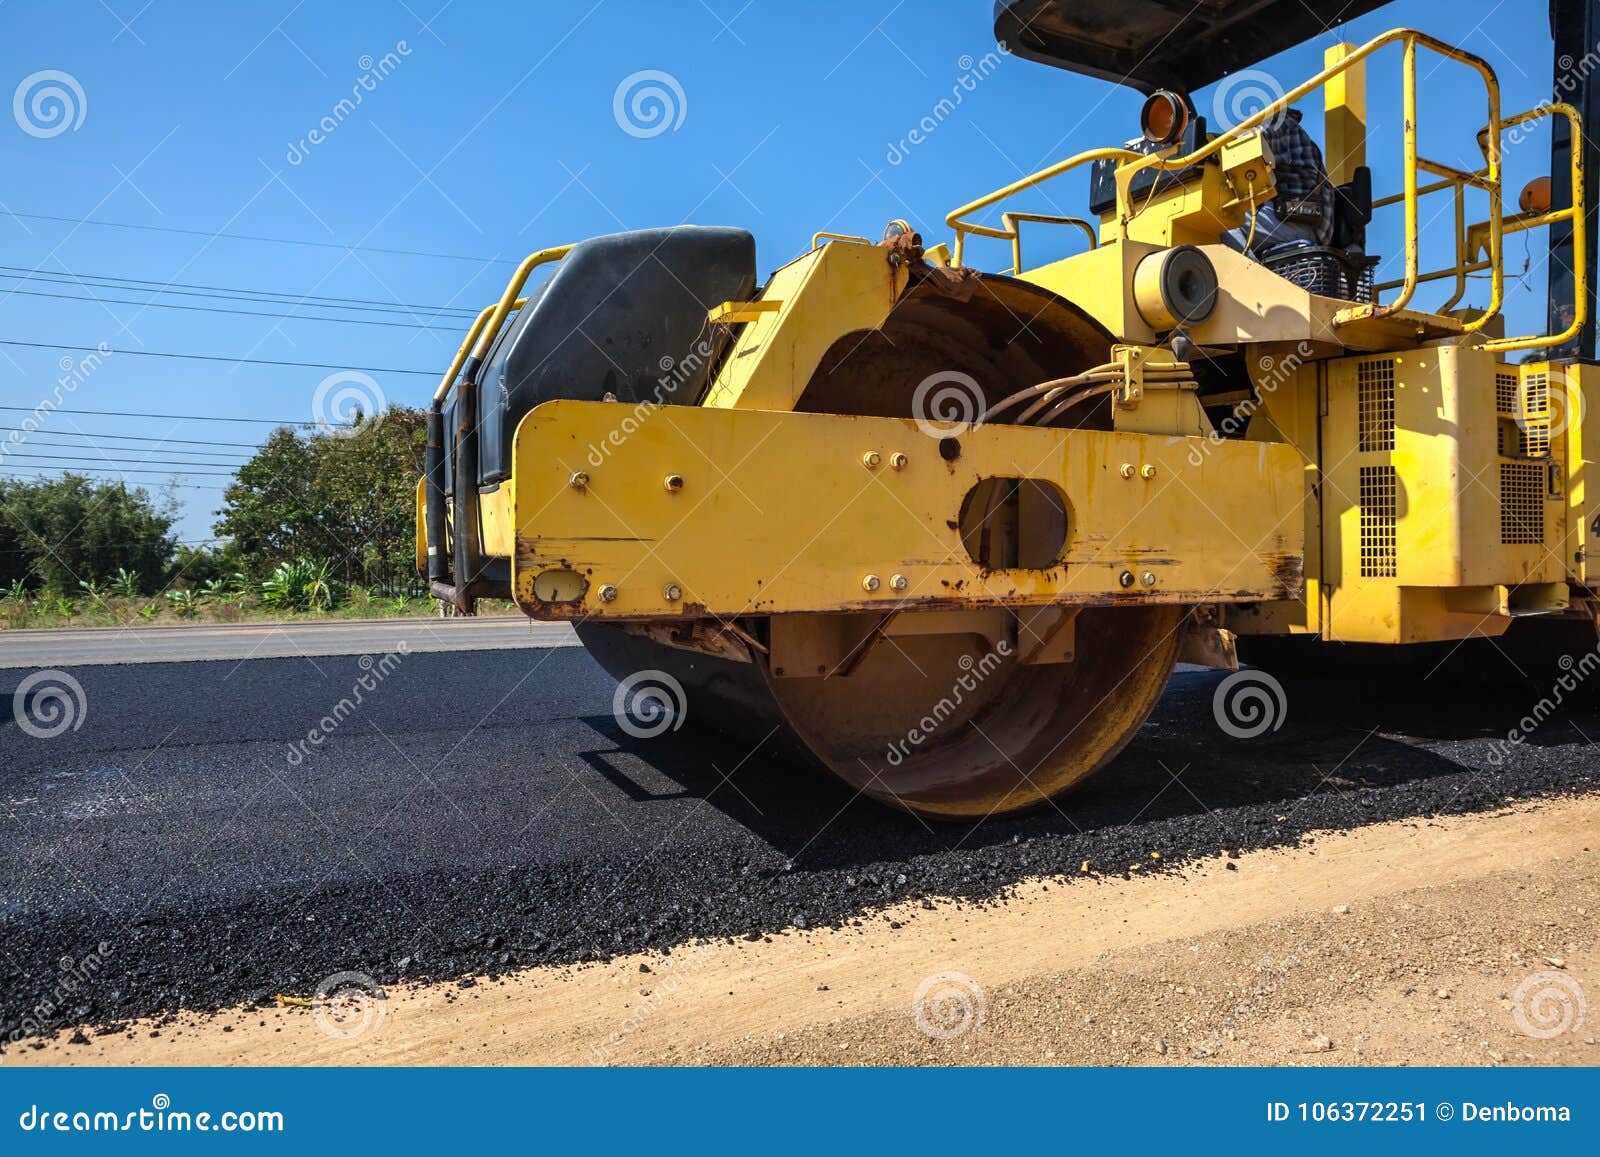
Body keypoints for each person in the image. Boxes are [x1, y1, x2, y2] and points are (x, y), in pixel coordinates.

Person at [1224, 107, 1335, 256]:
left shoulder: (1279, 122)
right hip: (1303, 223)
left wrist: (1205, 150)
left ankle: (1253, 274)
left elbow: (1240, 145)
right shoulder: (1294, 133)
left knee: (1223, 217)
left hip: (1302, 225)